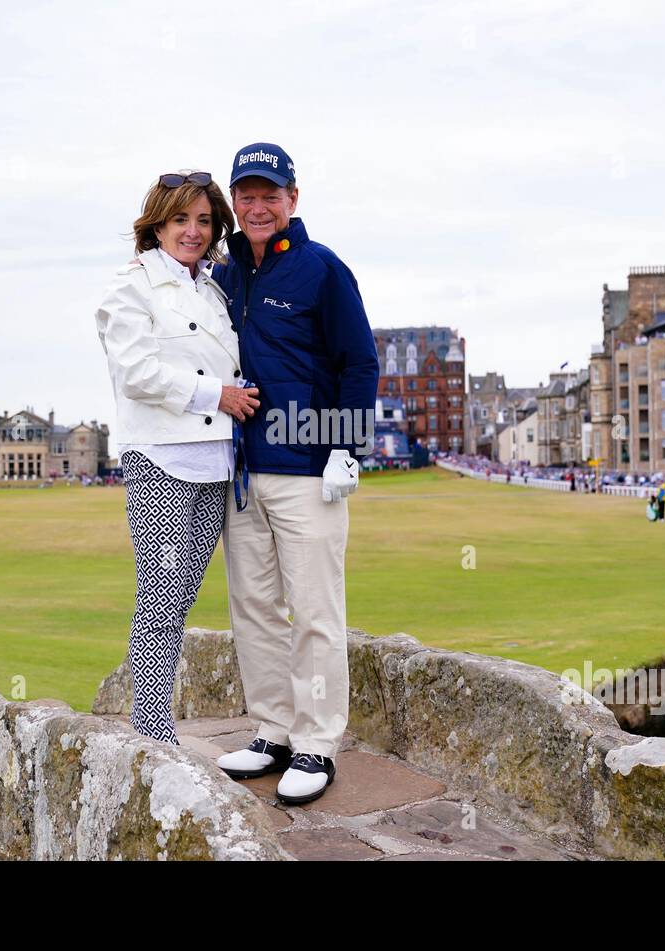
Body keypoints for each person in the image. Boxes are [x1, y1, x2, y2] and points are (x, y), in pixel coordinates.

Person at [210, 143, 379, 805]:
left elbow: (359, 363)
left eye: (269, 194)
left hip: (309, 469)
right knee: (254, 610)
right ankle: (273, 729)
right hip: (244, 470)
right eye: (246, 195)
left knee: (314, 611)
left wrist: (347, 447)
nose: (257, 206)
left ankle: (316, 743)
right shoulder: (225, 275)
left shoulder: (322, 269)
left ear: (292, 200)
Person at [95, 169, 259, 745]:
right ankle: (152, 733)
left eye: (204, 220)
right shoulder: (130, 286)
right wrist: (220, 396)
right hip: (160, 458)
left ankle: (156, 727)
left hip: (217, 461)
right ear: (157, 224)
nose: (193, 231)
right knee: (160, 597)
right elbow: (137, 374)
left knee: (182, 596)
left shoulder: (212, 288)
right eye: (181, 219)